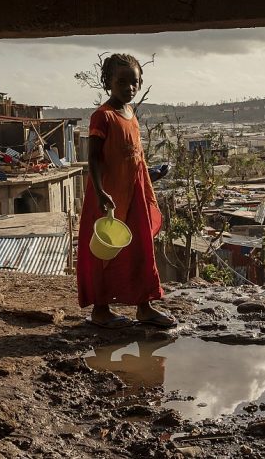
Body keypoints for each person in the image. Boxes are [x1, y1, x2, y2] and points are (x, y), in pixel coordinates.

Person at [76, 53, 176, 329]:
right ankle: (100, 309)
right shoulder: (102, 116)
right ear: (108, 82)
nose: (129, 88)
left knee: (141, 248)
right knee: (104, 254)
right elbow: (94, 158)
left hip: (134, 193)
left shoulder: (131, 113)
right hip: (108, 196)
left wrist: (149, 179)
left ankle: (145, 306)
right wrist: (99, 191)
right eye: (122, 82)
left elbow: (134, 156)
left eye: (134, 83)